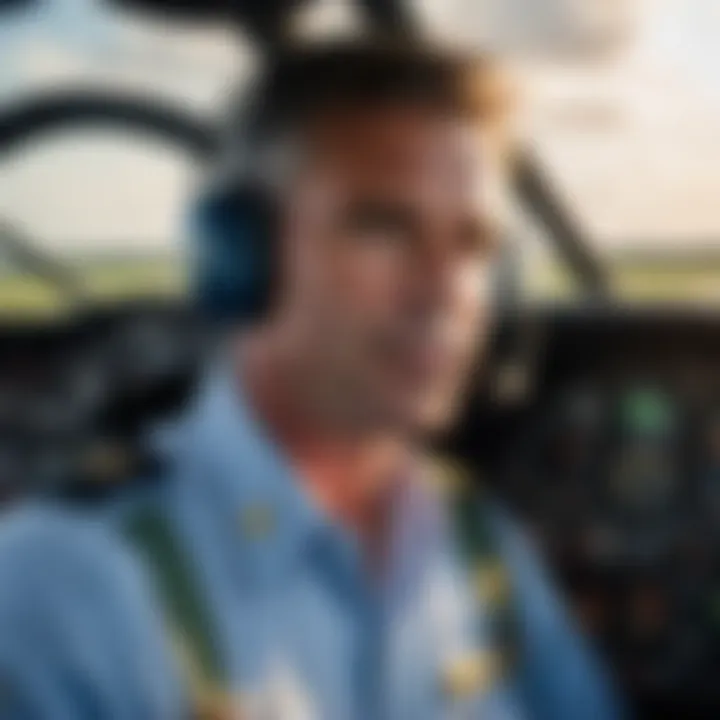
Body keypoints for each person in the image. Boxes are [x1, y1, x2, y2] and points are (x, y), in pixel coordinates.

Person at [0, 41, 624, 719]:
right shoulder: (61, 586)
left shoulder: (481, 547)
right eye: (385, 227)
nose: (444, 292)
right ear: (240, 256)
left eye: (472, 243)